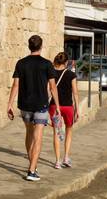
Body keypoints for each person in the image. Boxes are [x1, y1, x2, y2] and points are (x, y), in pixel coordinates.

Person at [8, 35, 57, 182]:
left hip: (25, 104)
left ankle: (33, 165)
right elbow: (53, 87)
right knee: (38, 137)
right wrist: (58, 107)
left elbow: (15, 85)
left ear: (29, 46)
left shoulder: (21, 63)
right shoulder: (47, 64)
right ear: (41, 46)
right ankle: (31, 170)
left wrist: (9, 104)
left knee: (29, 133)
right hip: (41, 105)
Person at [49, 52, 79, 169]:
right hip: (68, 107)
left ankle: (57, 161)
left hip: (54, 107)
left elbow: (49, 89)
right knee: (69, 131)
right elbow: (75, 92)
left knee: (56, 132)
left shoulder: (51, 73)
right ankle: (66, 157)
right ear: (66, 62)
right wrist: (77, 109)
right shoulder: (71, 74)